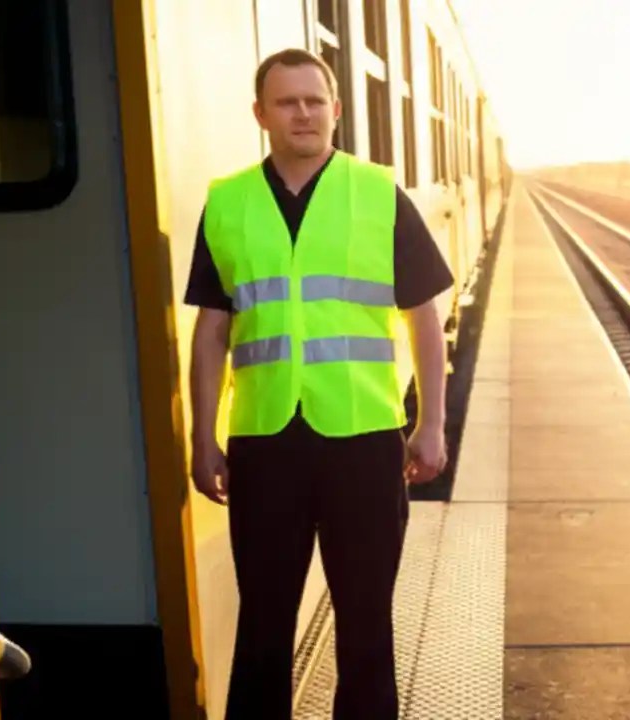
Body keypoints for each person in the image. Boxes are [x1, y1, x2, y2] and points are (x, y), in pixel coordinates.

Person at [184, 48, 454, 719]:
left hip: (363, 439)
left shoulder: (377, 193)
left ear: (335, 109)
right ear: (261, 114)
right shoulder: (228, 204)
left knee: (366, 625)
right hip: (264, 444)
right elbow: (212, 333)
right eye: (286, 101)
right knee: (264, 627)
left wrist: (430, 423)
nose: (302, 113)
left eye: (314, 100)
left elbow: (424, 316)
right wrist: (201, 436)